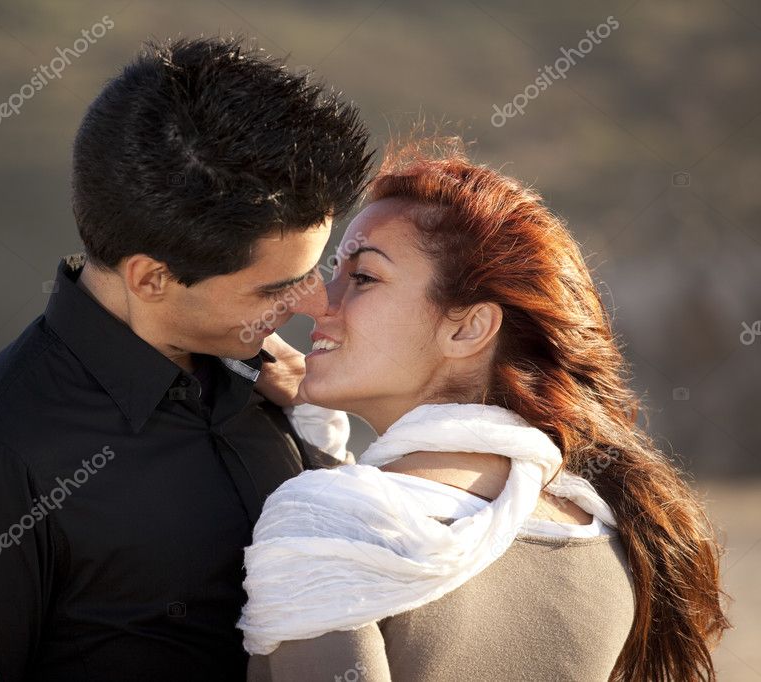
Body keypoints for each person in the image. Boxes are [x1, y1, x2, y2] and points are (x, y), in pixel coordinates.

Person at [0, 35, 372, 681]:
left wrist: (320, 436)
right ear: (151, 278)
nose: (315, 305)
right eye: (277, 287)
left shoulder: (275, 389)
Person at [239, 137, 730, 681]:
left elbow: (355, 534)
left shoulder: (330, 518)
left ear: (469, 327)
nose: (316, 301)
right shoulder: (607, 528)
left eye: (362, 277)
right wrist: (313, 425)